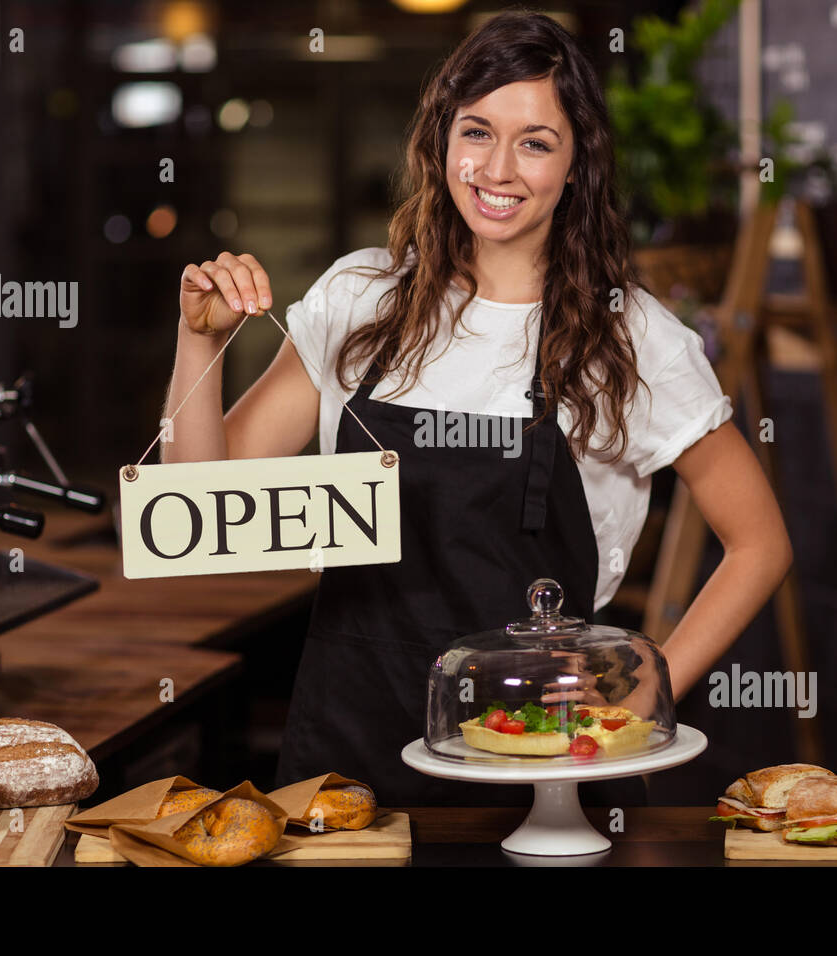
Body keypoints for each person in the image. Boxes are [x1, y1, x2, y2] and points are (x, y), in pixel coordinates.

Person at [161, 12, 792, 807]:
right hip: (345, 763)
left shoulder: (626, 337)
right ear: (440, 142)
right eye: (476, 132)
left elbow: (759, 543)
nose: (498, 168)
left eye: (535, 141)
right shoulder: (357, 299)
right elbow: (196, 516)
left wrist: (641, 696)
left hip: (534, 767)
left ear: (577, 164)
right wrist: (196, 341)